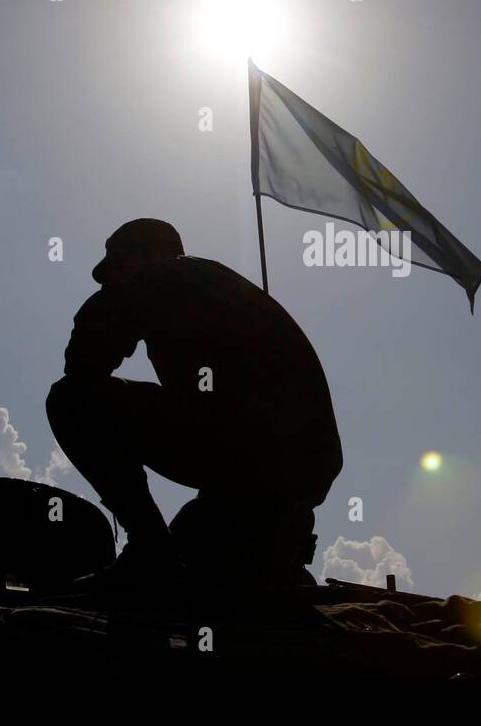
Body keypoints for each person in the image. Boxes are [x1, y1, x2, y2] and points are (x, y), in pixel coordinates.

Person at [45, 219, 342, 589]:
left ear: (150, 255)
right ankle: (264, 552)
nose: (111, 280)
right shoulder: (220, 286)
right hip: (289, 472)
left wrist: (105, 305)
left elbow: (84, 365)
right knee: (193, 541)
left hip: (255, 453)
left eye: (118, 266)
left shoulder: (164, 275)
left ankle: (151, 553)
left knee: (73, 400)